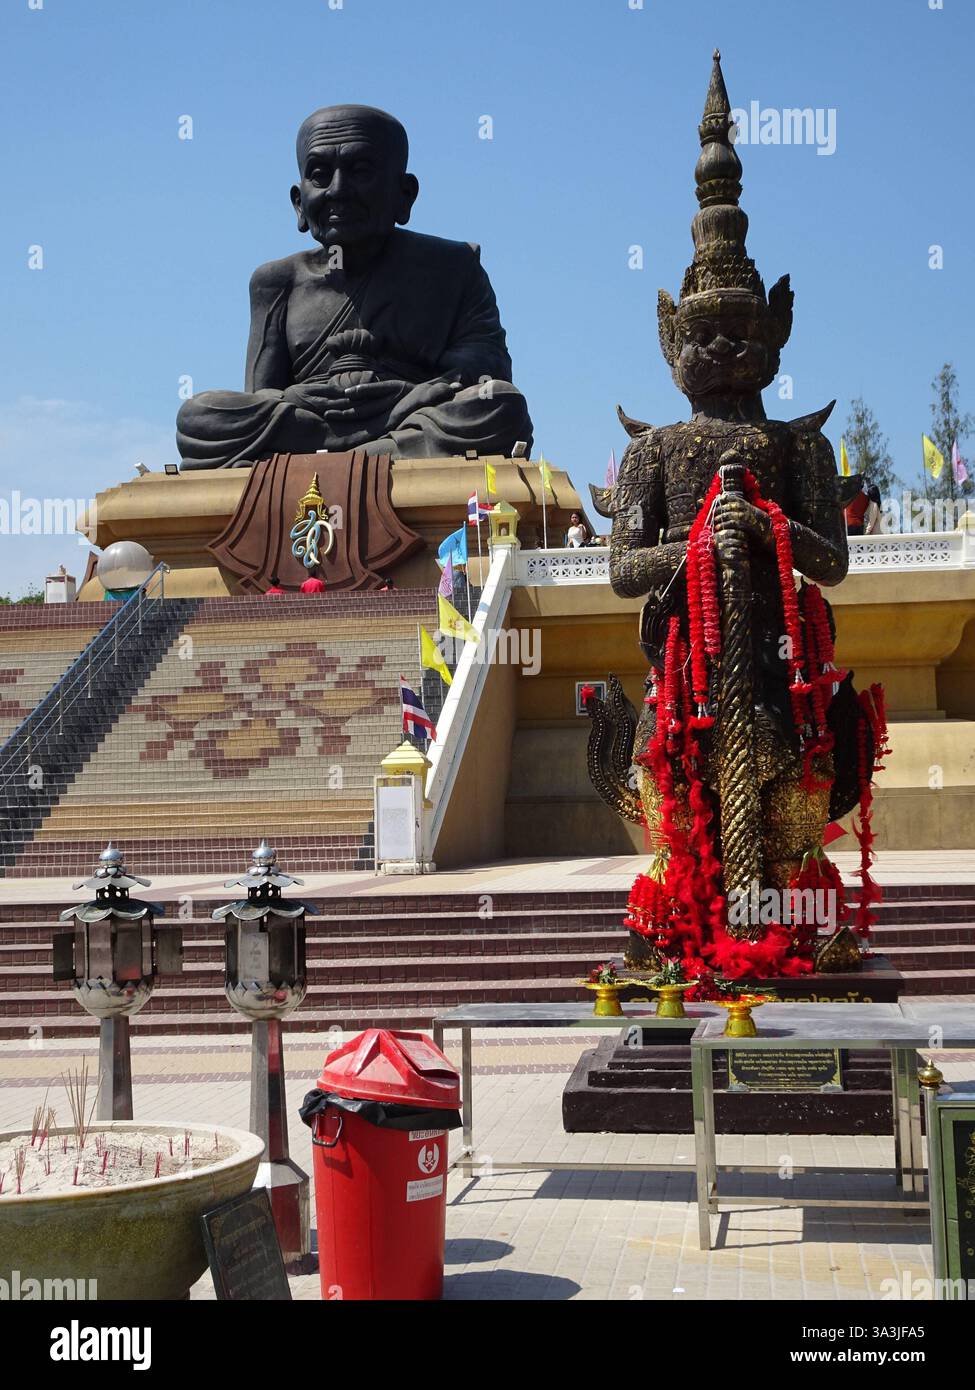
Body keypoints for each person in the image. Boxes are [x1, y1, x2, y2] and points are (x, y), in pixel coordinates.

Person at [175, 105, 532, 468]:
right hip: (313, 422)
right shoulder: (276, 281)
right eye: (319, 175)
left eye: (361, 171)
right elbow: (262, 394)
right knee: (200, 415)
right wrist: (309, 400)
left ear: (404, 194)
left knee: (498, 403)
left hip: (412, 414)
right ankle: (370, 455)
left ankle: (327, 461)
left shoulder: (452, 267)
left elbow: (486, 367)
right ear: (299, 203)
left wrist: (407, 395)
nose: (339, 190)